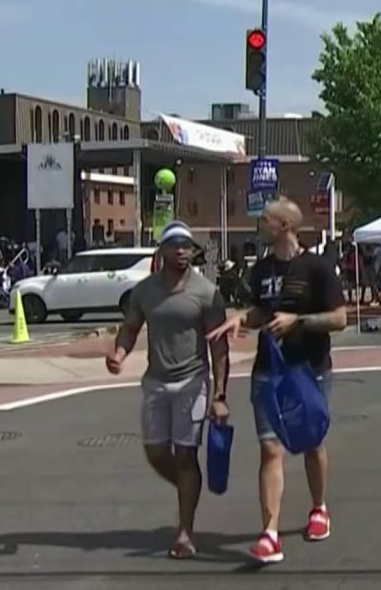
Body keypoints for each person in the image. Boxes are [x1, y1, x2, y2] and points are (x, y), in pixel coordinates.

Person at [206, 198, 346, 565]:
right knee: (270, 449)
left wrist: (297, 321)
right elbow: (260, 311)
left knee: (312, 441)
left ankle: (319, 508)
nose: (259, 224)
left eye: (265, 220)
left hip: (310, 368)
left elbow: (340, 318)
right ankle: (269, 533)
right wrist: (242, 319)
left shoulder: (317, 267)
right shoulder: (261, 269)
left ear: (284, 226)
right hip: (269, 369)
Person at [106, 221, 229, 559]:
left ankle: (184, 533)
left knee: (186, 455)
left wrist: (219, 396)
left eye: (186, 246)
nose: (181, 251)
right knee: (156, 453)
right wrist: (119, 353)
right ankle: (189, 489)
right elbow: (130, 328)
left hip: (193, 382)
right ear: (160, 250)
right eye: (174, 245)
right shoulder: (145, 291)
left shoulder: (206, 292)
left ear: (193, 251)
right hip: (156, 382)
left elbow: (219, 348)